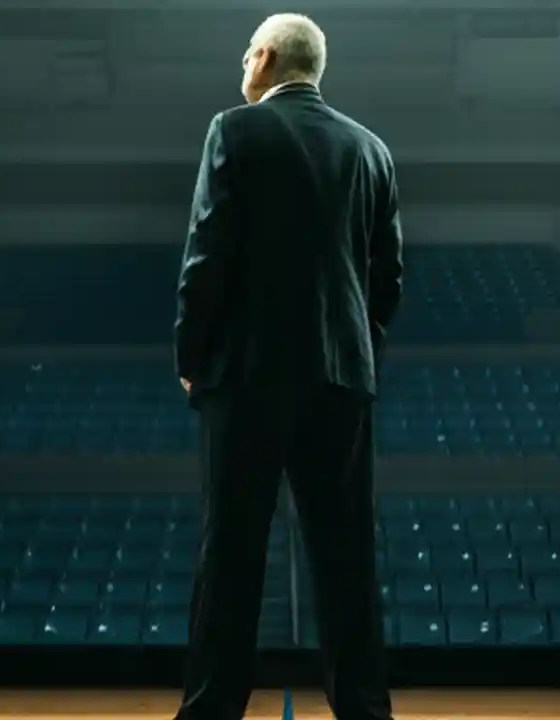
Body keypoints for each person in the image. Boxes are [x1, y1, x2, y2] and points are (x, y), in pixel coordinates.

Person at [171, 12, 403, 720]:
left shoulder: (233, 131)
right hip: (341, 380)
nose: (242, 64)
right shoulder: (371, 150)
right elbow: (387, 280)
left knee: (232, 559)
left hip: (246, 377)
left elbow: (206, 256)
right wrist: (356, 351)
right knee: (346, 562)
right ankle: (365, 712)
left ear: (266, 57)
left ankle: (211, 713)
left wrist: (192, 356)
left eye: (247, 52)